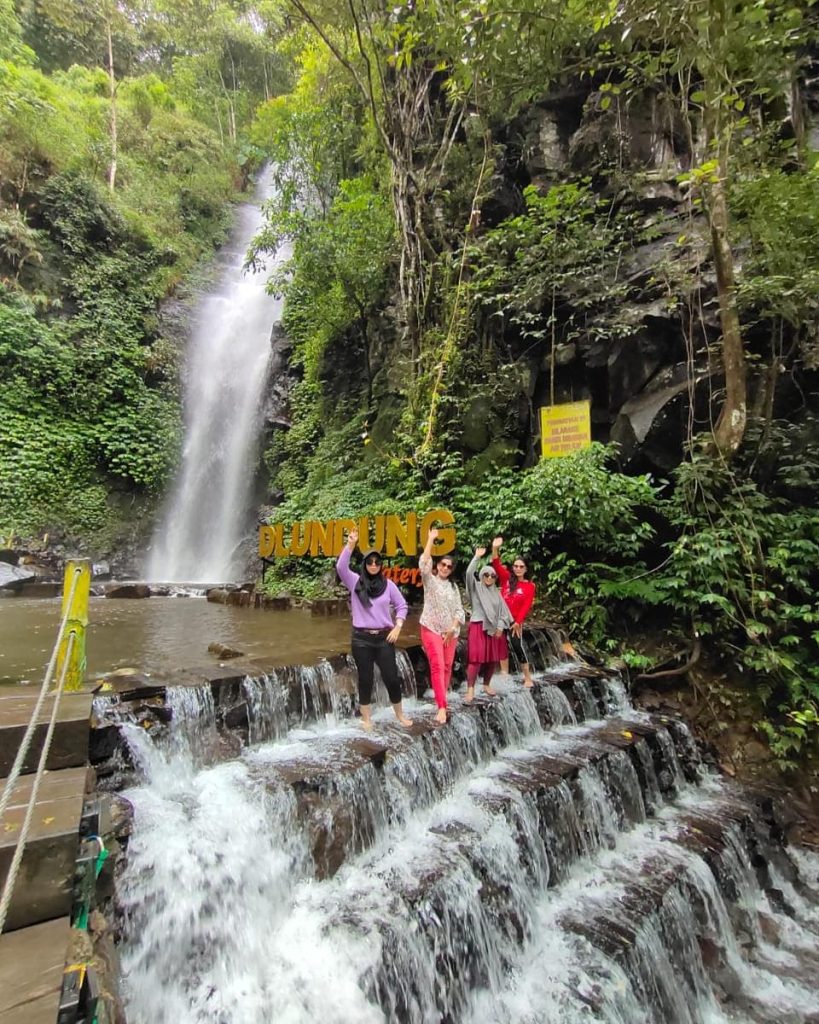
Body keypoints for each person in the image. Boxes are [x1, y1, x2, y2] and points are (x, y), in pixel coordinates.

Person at [336, 528, 413, 731]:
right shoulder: (355, 582)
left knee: (391, 677)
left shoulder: (388, 586)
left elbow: (402, 606)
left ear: (381, 565)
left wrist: (398, 626)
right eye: (370, 562)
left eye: (377, 562)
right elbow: (341, 567)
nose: (373, 565)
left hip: (384, 638)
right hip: (361, 638)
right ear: (365, 563)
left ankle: (400, 714)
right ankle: (367, 719)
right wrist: (351, 544)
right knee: (366, 678)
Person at [419, 527, 465, 724]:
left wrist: (453, 628)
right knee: (437, 665)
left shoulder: (453, 587)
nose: (446, 568)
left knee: (446, 667)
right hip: (430, 628)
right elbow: (423, 564)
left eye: (449, 566)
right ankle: (441, 707)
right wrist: (430, 539)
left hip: (450, 633)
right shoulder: (430, 581)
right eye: (443, 565)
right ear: (437, 566)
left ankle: (442, 700)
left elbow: (459, 611)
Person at [464, 546, 514, 703]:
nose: (490, 578)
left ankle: (486, 684)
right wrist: (476, 558)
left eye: (493, 576)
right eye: (486, 574)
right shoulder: (475, 588)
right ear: (481, 575)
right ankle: (470, 689)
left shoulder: (496, 592)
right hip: (478, 625)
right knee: (475, 659)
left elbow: (503, 612)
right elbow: (468, 574)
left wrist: (500, 626)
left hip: (493, 629)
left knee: (493, 658)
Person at [491, 536, 536, 688]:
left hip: (515, 621)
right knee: (501, 644)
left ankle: (528, 677)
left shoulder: (530, 586)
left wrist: (518, 622)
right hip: (501, 618)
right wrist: (495, 548)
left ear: (526, 569)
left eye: (521, 566)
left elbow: (527, 605)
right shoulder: (506, 579)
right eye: (515, 566)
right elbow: (496, 564)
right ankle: (504, 673)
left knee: (517, 646)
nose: (517, 569)